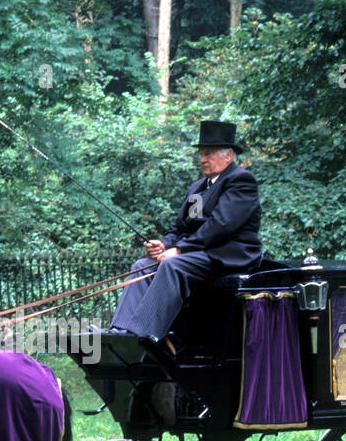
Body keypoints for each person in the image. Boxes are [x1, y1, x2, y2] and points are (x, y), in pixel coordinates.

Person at [111, 120, 263, 350]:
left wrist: (180, 250)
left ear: (228, 155)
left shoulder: (240, 181)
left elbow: (220, 226)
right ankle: (120, 332)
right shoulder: (199, 189)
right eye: (201, 154)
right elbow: (184, 227)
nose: (202, 159)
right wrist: (163, 245)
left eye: (209, 154)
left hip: (229, 254)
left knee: (173, 266)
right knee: (142, 264)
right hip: (200, 252)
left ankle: (144, 336)